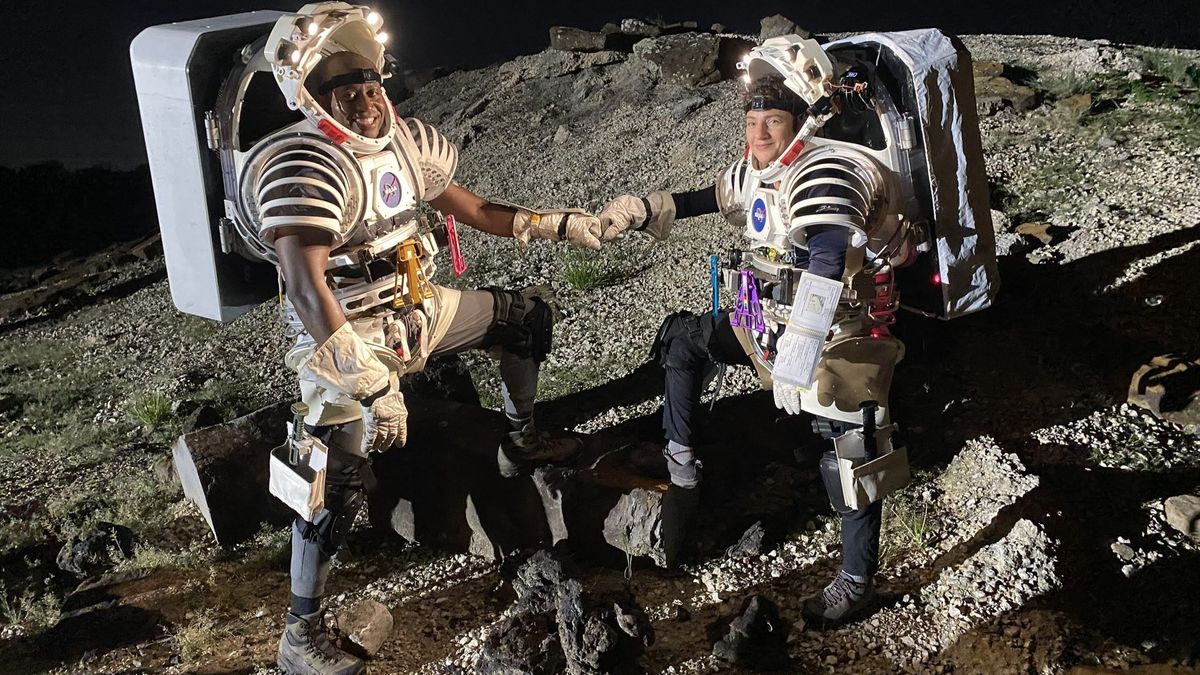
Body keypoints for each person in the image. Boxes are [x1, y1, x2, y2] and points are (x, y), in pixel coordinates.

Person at [229, 6, 604, 674]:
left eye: (370, 84)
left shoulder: (409, 145)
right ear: (313, 97)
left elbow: (475, 209)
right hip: (345, 336)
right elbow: (308, 290)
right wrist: (374, 387)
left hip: (418, 309)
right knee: (331, 471)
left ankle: (522, 438)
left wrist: (555, 223)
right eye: (345, 90)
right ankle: (300, 631)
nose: (365, 100)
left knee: (524, 316)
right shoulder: (302, 165)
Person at [598, 36, 919, 624]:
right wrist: (643, 208)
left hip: (839, 336)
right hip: (764, 324)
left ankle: (856, 579)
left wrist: (800, 350)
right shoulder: (756, 171)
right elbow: (710, 197)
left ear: (799, 122)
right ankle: (682, 467)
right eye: (752, 120)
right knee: (683, 339)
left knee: (853, 448)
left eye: (773, 121)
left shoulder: (830, 169)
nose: (759, 132)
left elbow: (827, 258)